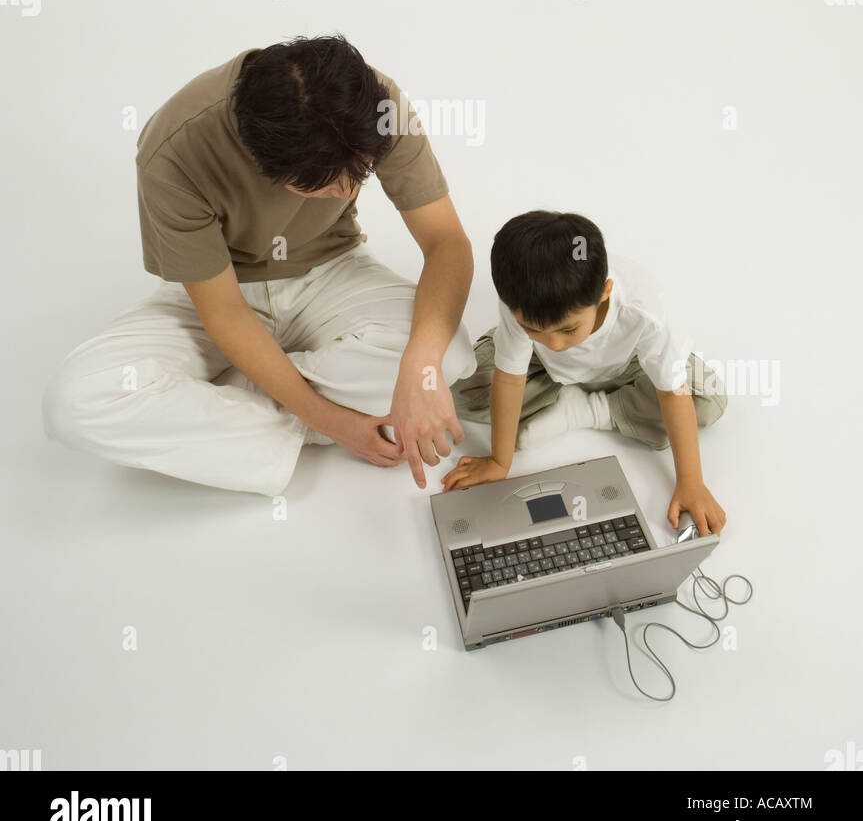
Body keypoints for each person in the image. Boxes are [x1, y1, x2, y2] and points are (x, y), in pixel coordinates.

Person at [42, 35, 476, 496]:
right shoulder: (175, 148)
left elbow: (446, 241)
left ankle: (222, 400)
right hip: (221, 294)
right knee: (74, 403)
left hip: (331, 270)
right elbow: (225, 313)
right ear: (263, 164)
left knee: (449, 357)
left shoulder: (371, 105)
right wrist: (334, 422)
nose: (349, 193)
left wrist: (421, 367)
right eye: (326, 185)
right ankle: (306, 412)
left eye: (360, 172)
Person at [445, 211, 727, 535]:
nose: (555, 343)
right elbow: (509, 378)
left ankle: (591, 411)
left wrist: (691, 482)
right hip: (543, 368)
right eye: (533, 328)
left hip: (629, 367)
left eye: (568, 329)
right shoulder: (522, 301)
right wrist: (499, 461)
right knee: (456, 389)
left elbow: (671, 391)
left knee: (706, 400)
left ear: (604, 293)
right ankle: (572, 393)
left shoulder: (643, 310)